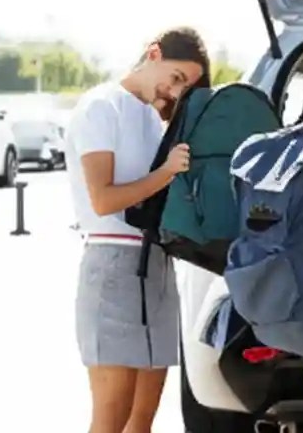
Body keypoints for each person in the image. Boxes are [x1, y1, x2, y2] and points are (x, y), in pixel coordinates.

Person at [65, 27, 210, 433]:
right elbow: (103, 199)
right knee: (112, 414)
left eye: (185, 87)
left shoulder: (153, 119)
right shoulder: (101, 107)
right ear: (154, 53)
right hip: (112, 263)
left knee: (143, 416)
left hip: (157, 263)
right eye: (176, 77)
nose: (174, 91)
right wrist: (167, 172)